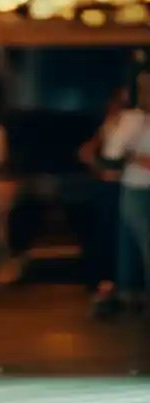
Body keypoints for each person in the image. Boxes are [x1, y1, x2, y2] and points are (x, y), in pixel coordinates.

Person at [101, 72, 150, 318]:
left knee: (135, 244)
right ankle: (130, 296)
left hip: (138, 186)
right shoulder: (133, 120)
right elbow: (113, 151)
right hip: (138, 189)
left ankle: (131, 295)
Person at [81, 86, 129, 318]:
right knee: (106, 232)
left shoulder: (131, 122)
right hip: (110, 183)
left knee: (117, 233)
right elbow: (87, 151)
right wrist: (101, 169)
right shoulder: (111, 122)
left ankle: (114, 285)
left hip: (123, 182)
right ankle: (106, 283)